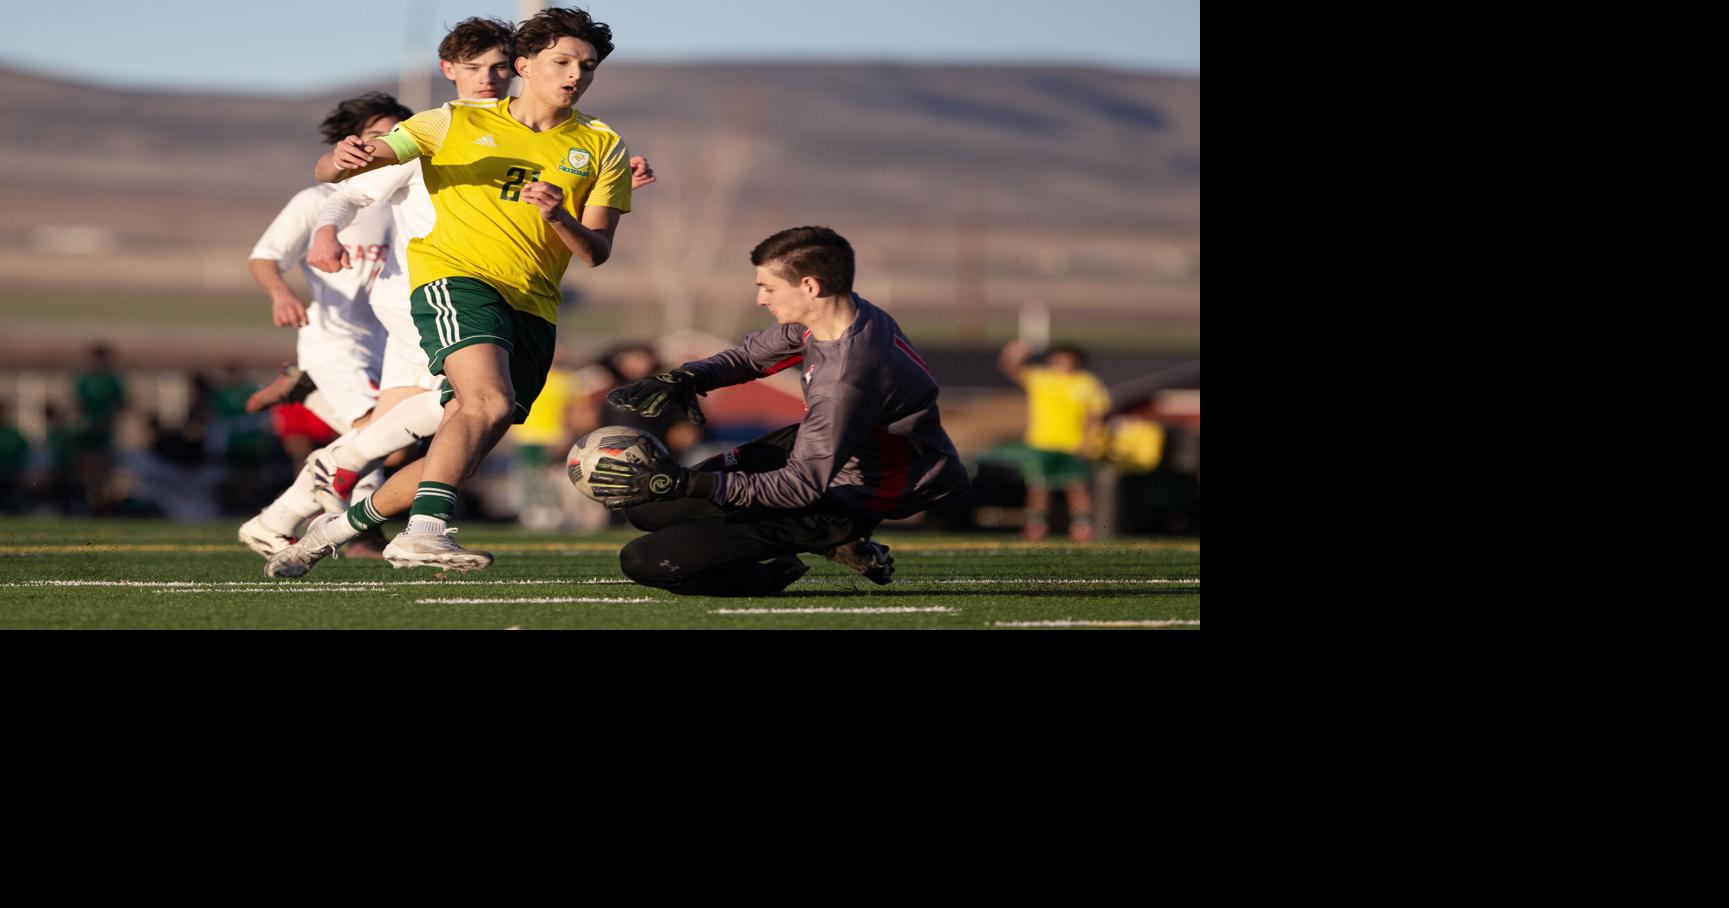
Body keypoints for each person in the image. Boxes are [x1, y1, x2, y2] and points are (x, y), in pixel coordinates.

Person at [268, 6, 636, 577]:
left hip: (533, 304)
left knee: (463, 442)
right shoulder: (450, 122)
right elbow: (338, 173)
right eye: (562, 61)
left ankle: (329, 532)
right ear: (525, 64)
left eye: (587, 66)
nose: (575, 75)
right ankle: (424, 534)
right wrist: (338, 158)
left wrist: (561, 216)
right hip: (455, 280)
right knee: (483, 402)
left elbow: (597, 251)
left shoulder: (601, 144)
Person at [591, 226, 970, 597]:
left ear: (809, 286)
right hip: (827, 455)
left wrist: (687, 483)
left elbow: (798, 487)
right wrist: (686, 378)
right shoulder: (839, 315)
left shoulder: (846, 380)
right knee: (647, 509)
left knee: (644, 560)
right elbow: (750, 357)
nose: (760, 299)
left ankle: (799, 557)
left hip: (855, 495)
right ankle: (826, 544)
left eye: (768, 288)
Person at [236, 91, 408, 558]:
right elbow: (265, 257)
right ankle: (359, 533)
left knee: (394, 438)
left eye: (394, 134)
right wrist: (281, 293)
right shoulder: (318, 199)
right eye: (375, 135)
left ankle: (305, 391)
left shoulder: (407, 199)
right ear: (349, 141)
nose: (385, 143)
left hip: (389, 340)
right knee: (379, 434)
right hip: (333, 338)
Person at [998, 339, 1110, 542]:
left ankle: (1081, 526)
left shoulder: (1086, 382)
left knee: (1076, 487)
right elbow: (1012, 369)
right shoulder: (1041, 378)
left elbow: (1097, 414)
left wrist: (1091, 440)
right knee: (1039, 487)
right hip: (1042, 442)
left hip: (1073, 444)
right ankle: (1036, 525)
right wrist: (1013, 354)